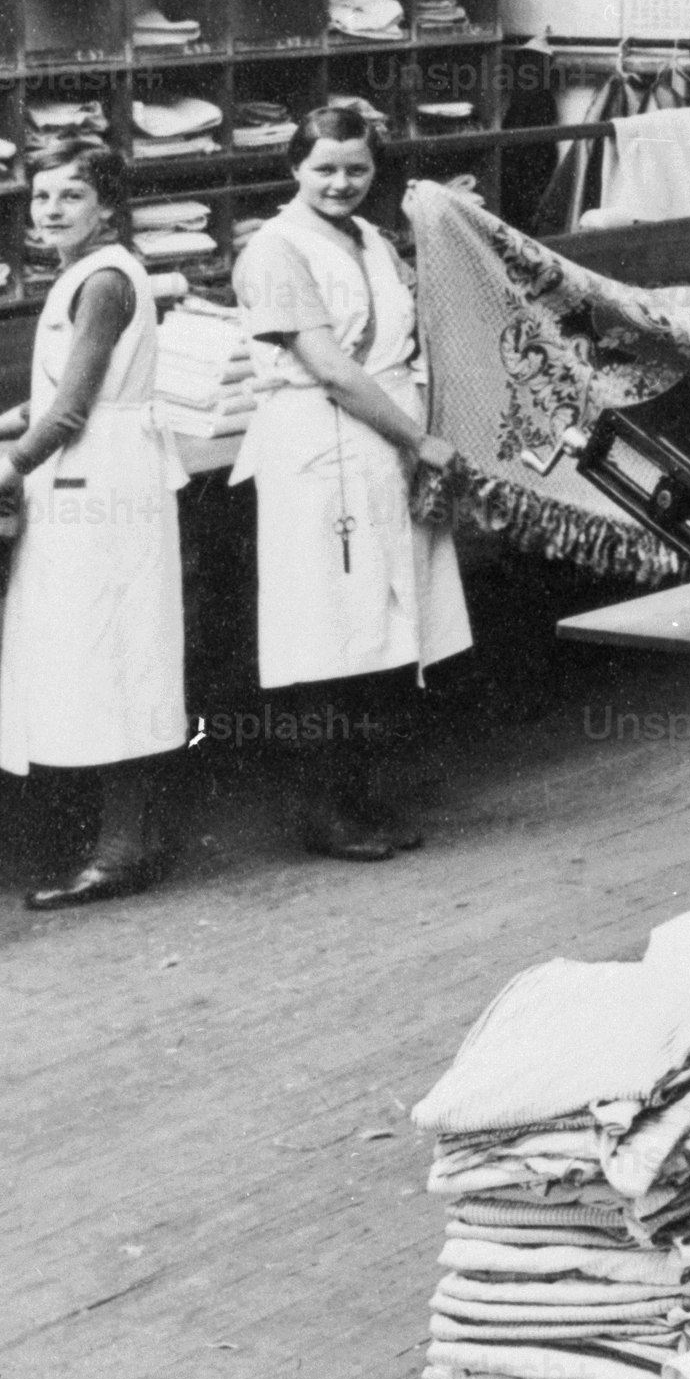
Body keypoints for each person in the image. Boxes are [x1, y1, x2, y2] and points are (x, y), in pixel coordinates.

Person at [0, 138, 185, 909]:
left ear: (107, 201)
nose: (51, 210)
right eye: (40, 197)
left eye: (70, 195)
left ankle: (123, 850)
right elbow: (64, 386)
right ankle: (124, 838)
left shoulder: (104, 279)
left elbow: (71, 410)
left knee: (114, 662)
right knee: (99, 658)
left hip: (100, 487)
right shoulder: (90, 272)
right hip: (97, 478)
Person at [234, 99, 469, 859]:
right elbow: (332, 370)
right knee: (325, 632)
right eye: (325, 168)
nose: (341, 182)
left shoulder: (370, 237)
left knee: (379, 626)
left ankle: (363, 800)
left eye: (357, 168)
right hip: (324, 447)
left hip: (382, 444)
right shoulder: (274, 249)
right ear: (293, 168)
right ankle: (322, 812)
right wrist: (420, 439)